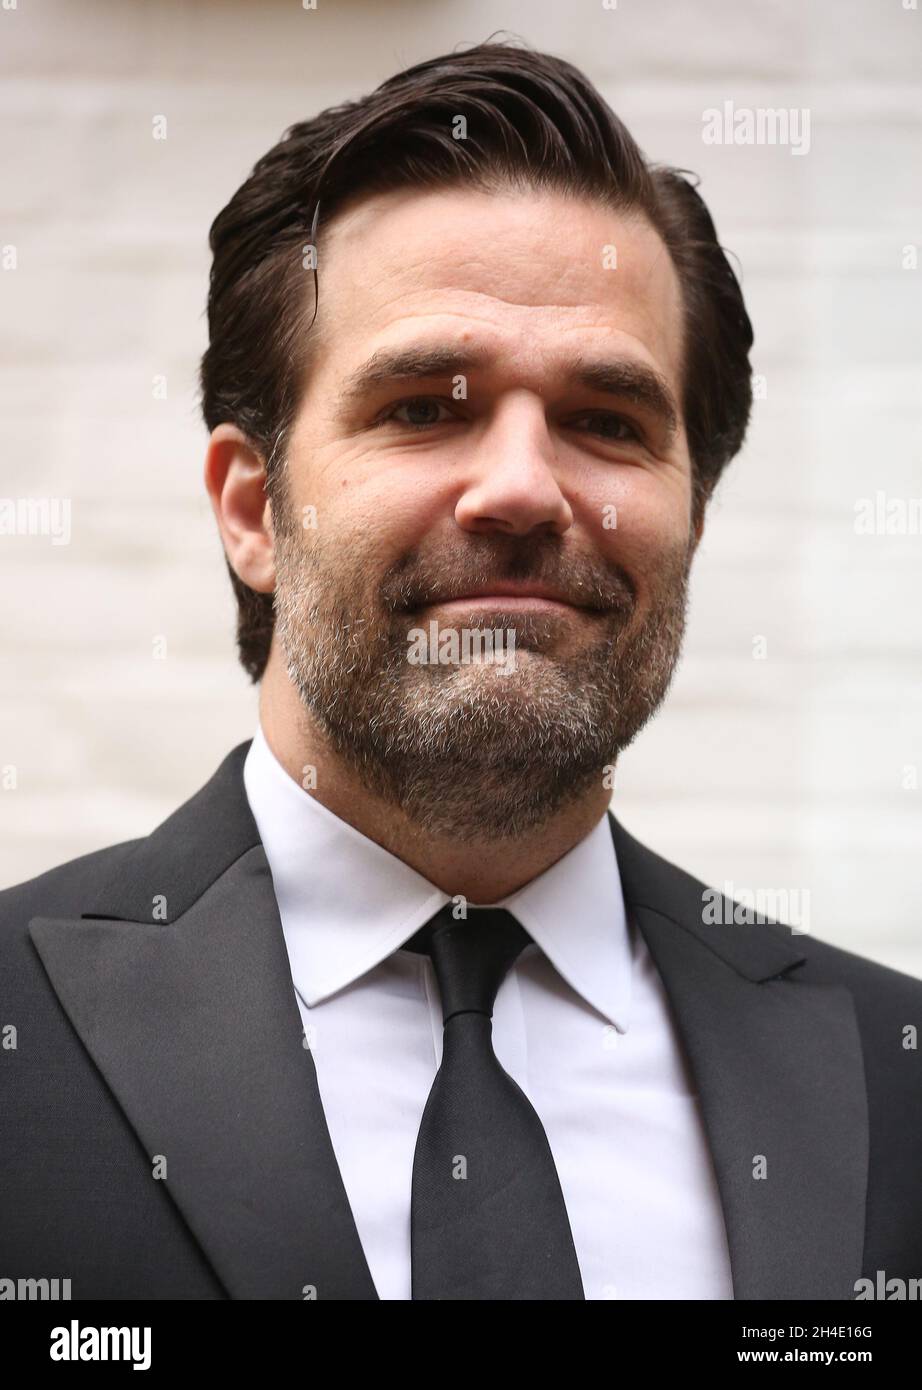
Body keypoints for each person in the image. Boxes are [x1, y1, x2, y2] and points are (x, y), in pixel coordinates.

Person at [2, 41, 920, 1302]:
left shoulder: (897, 1076)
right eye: (426, 406)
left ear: (690, 517)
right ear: (254, 512)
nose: (523, 490)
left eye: (607, 422)